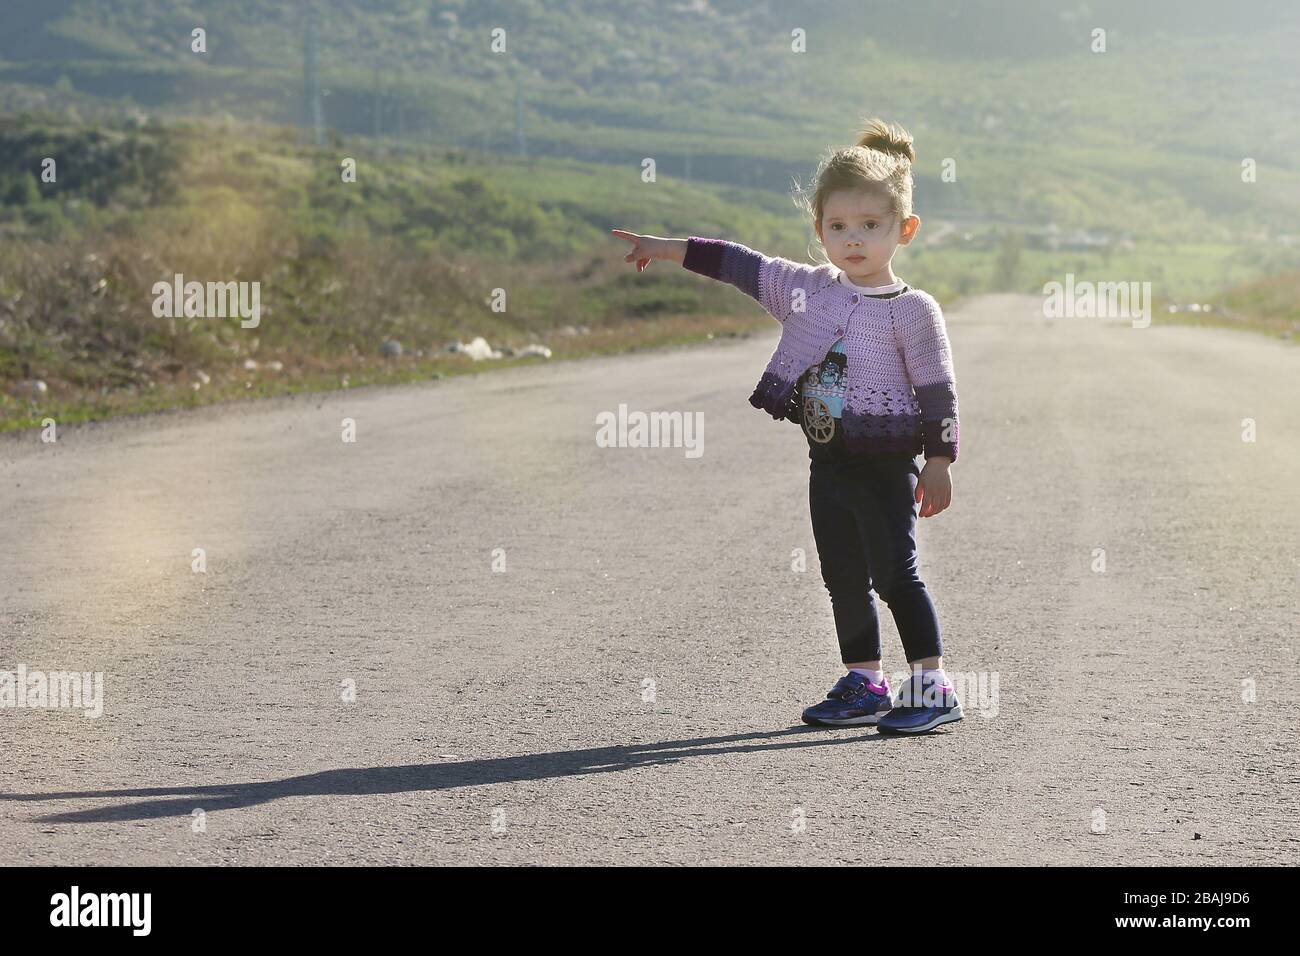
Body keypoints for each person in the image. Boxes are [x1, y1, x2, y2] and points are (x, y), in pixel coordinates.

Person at [612, 118, 963, 734]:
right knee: (842, 574)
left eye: (870, 226)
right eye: (838, 227)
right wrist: (666, 248)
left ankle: (932, 684)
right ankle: (865, 680)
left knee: (894, 572)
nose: (853, 240)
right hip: (828, 463)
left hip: (885, 463)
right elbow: (738, 264)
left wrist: (939, 460)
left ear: (904, 229)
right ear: (820, 230)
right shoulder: (806, 291)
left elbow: (937, 391)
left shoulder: (913, 310)